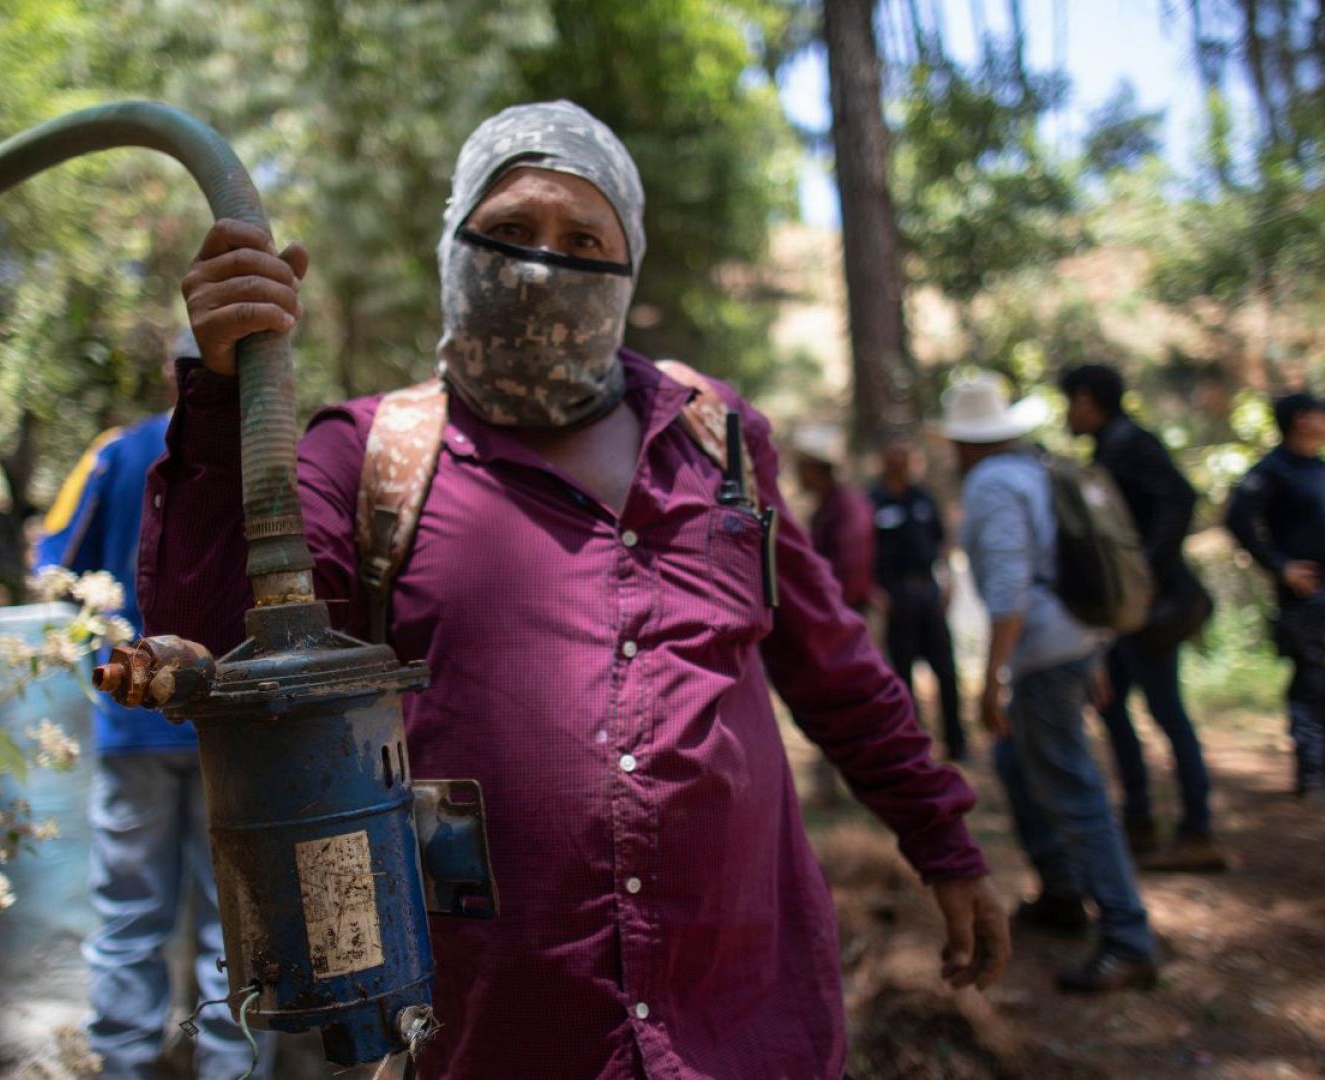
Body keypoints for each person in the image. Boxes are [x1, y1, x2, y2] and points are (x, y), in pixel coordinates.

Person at [142, 101, 1008, 1078]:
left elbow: (838, 673)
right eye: (509, 231)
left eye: (581, 238)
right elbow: (213, 656)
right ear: (454, 246)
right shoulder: (372, 457)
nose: (544, 263)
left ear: (626, 263)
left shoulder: (719, 445)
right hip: (505, 1031)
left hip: (742, 1026)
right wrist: (219, 392)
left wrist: (943, 839)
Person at [37, 334, 274, 1080]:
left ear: (176, 377)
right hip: (230, 736)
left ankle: (124, 1063)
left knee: (129, 918)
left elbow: (50, 563)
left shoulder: (114, 453)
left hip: (131, 728)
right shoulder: (269, 460)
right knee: (231, 929)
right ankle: (230, 1070)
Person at [943, 376, 1159, 993]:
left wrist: (991, 681)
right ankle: (1062, 892)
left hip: (1040, 653)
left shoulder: (990, 482)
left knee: (1071, 786)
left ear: (965, 442)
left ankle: (1126, 935)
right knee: (1016, 762)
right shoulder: (1038, 467)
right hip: (1075, 639)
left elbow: (1009, 587)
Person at [1059, 364, 1225, 871]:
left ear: (1088, 400)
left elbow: (1179, 498)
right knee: (1114, 709)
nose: (1068, 412)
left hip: (1151, 612)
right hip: (1128, 613)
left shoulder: (1132, 444)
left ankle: (1196, 829)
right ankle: (1140, 824)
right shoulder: (1110, 447)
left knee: (1166, 710)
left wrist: (1148, 570)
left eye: (1071, 401)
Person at [1226, 392, 1325, 813]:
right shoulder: (1273, 471)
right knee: (1311, 684)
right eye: (1323, 412)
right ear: (1301, 419)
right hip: (1308, 596)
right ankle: (1311, 776)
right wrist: (1280, 567)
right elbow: (1238, 520)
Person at [870, 437, 965, 761]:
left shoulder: (921, 496)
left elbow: (941, 541)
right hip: (896, 598)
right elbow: (865, 551)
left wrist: (948, 579)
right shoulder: (873, 500)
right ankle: (914, 743)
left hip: (928, 592)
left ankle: (956, 743)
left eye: (905, 454)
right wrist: (878, 593)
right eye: (894, 454)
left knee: (946, 671)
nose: (901, 460)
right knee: (902, 673)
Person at [793, 424, 875, 611]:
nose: (798, 474)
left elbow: (851, 568)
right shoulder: (829, 507)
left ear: (815, 469)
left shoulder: (845, 508)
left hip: (845, 610)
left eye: (802, 467)